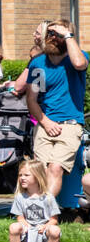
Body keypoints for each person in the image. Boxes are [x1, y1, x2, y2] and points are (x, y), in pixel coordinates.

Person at [25, 18, 87, 202]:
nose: (52, 38)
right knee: (40, 171)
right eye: (49, 33)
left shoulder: (78, 57)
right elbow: (32, 99)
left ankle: (43, 209)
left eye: (56, 34)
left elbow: (79, 64)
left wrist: (67, 35)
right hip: (45, 125)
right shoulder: (38, 64)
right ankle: (41, 209)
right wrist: (45, 122)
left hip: (70, 125)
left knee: (55, 168)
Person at [1, 159, 62, 242]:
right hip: (27, 232)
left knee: (55, 230)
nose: (22, 178)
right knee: (14, 227)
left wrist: (46, 226)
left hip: (43, 232)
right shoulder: (20, 197)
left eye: (26, 175)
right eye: (20, 175)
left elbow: (54, 219)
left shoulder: (48, 197)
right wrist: (25, 225)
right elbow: (19, 217)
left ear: (38, 176)